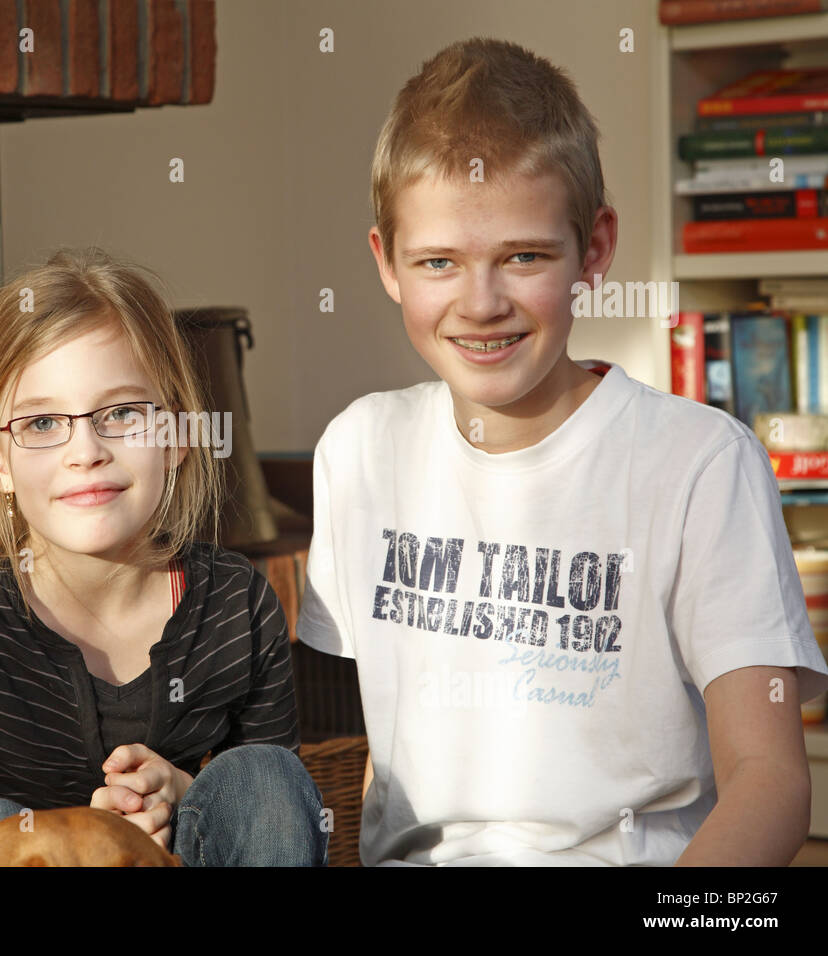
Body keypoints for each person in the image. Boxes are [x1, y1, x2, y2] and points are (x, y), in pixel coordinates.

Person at [296, 38, 828, 866]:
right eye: (438, 261)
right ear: (386, 264)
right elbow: (384, 760)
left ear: (596, 247)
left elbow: (770, 781)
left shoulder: (699, 464)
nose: (481, 303)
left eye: (524, 256)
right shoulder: (360, 452)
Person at [0, 248, 327, 867]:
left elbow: (271, 820)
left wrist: (182, 797)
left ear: (178, 437)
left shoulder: (236, 604)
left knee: (264, 776)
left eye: (123, 413)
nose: (87, 450)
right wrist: (76, 841)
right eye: (44, 423)